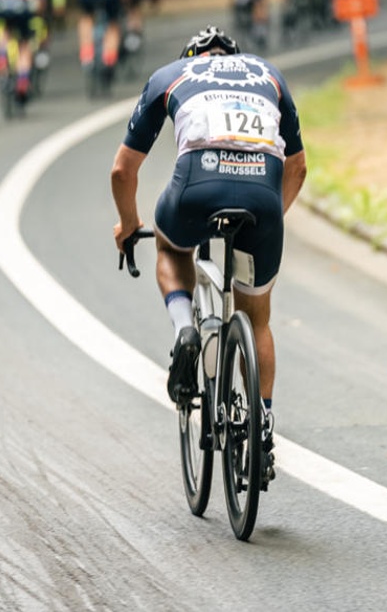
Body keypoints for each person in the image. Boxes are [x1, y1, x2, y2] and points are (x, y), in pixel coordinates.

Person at [110, 25, 307, 485]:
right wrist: (267, 221)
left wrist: (128, 224)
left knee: (170, 246)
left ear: (192, 57)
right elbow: (297, 167)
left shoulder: (171, 75)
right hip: (262, 195)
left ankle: (185, 329)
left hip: (197, 184)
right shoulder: (268, 73)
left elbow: (122, 171)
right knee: (258, 319)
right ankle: (262, 426)